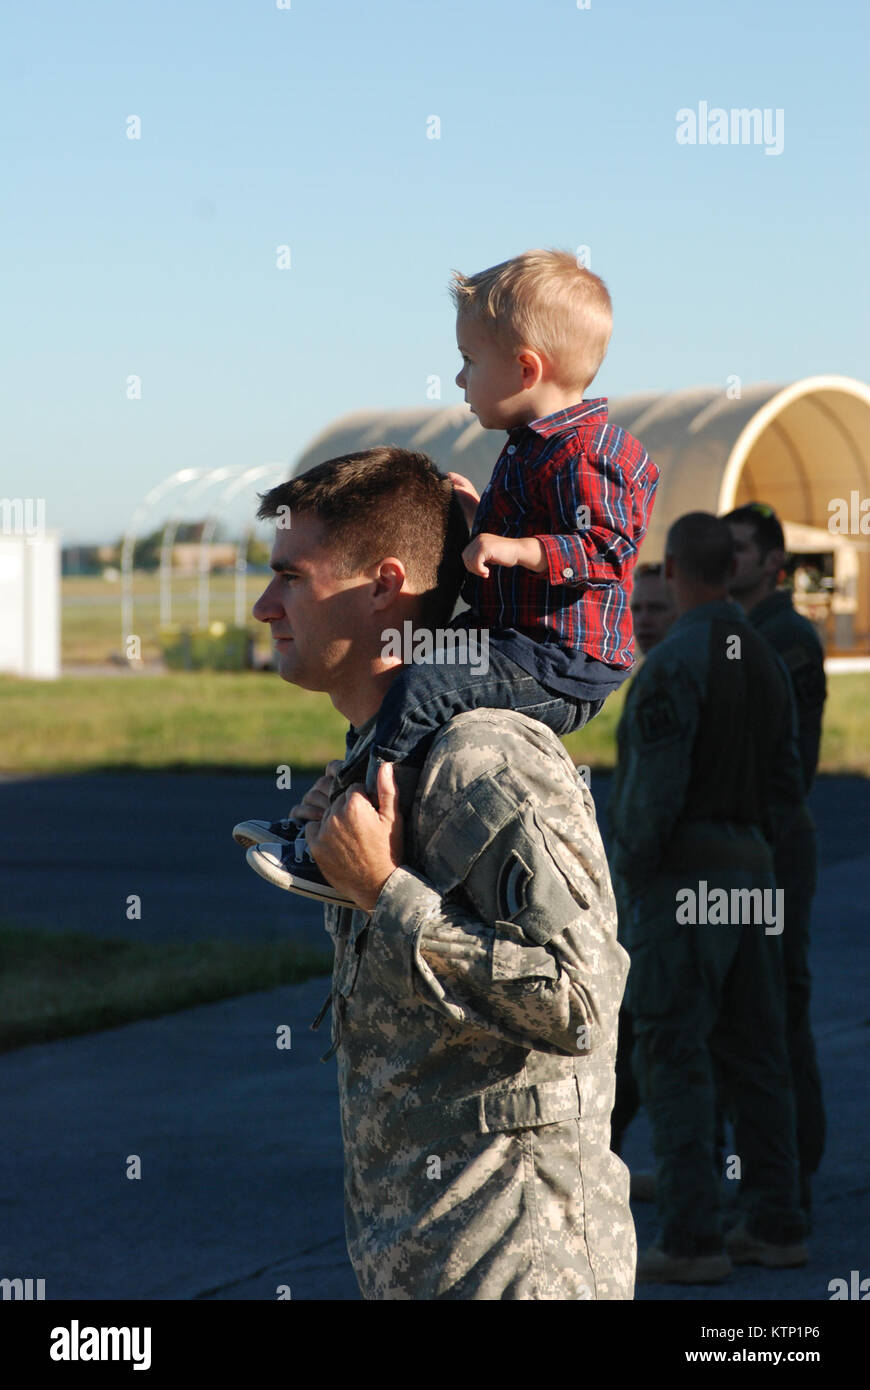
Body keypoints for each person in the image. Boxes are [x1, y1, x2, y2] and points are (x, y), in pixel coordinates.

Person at [247, 448, 636, 1300]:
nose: (264, 604)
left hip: (517, 1267)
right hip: (423, 1263)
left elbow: (582, 1000)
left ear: (384, 587)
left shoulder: (481, 757)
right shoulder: (386, 759)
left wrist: (389, 894)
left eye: (291, 578)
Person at [237, 248, 658, 904]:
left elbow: (607, 551)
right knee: (404, 670)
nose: (458, 380)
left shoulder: (587, 456)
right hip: (520, 640)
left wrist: (523, 551)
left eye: (468, 361)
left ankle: (371, 837)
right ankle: (326, 818)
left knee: (426, 684)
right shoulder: (533, 448)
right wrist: (477, 514)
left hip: (561, 659)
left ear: (525, 367)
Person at [608, 512, 808, 1284]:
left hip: (685, 881)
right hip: (754, 874)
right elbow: (789, 783)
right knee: (758, 1052)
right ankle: (775, 1220)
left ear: (675, 569)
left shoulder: (673, 664)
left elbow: (651, 798)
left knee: (675, 1052)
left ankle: (691, 1237)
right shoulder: (763, 656)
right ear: (732, 568)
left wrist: (635, 873)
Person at [724, 501, 827, 1220]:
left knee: (779, 1011)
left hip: (776, 845)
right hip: (749, 846)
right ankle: (763, 1170)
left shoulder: (783, 635)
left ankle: (793, 1173)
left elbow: (765, 752)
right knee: (744, 1012)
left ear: (771, 562)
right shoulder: (743, 631)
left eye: (741, 550)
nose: (730, 561)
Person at [609, 564, 677, 1163]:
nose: (646, 620)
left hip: (659, 890)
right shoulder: (652, 676)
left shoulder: (671, 682)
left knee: (656, 1038)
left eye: (659, 608)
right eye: (640, 609)